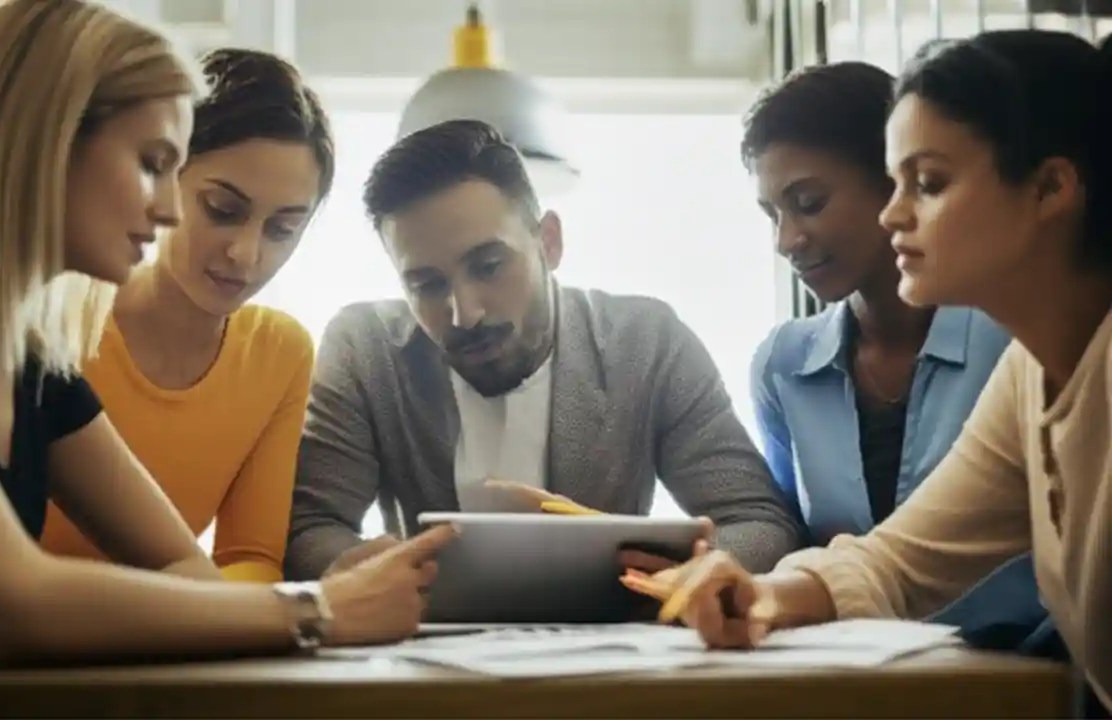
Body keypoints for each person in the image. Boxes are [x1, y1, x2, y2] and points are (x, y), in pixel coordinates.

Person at [0, 1, 451, 715]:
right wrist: (319, 609)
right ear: (47, 140)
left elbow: (181, 565)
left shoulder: (33, 364)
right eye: (154, 165)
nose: (164, 210)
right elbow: (8, 602)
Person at [625, 30, 1112, 718]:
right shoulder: (1031, 377)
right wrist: (762, 593)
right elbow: (899, 559)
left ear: (1051, 187)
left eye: (929, 183)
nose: (894, 212)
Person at [284, 119, 801, 582]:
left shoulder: (646, 341)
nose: (465, 313)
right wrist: (364, 569)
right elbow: (311, 528)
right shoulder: (364, 347)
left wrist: (686, 569)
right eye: (425, 284)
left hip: (613, 657)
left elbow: (760, 524)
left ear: (548, 242)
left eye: (488, 266)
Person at [741, 62, 1047, 650]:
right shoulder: (783, 366)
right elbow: (806, 545)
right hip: (854, 676)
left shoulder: (1020, 339)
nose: (786, 240)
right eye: (772, 214)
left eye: (808, 202)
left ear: (893, 183)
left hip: (1026, 677)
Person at [40, 48, 330, 584]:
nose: (246, 253)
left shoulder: (279, 353)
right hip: (15, 649)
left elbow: (252, 558)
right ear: (164, 176)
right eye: (223, 210)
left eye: (282, 228)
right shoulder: (54, 321)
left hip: (169, 648)